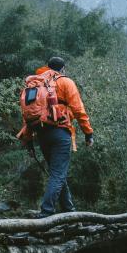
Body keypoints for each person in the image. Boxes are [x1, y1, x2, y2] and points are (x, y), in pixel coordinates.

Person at [19, 56, 94, 217]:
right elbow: (79, 110)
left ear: (48, 68)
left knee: (57, 173)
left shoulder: (36, 85)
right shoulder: (65, 82)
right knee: (58, 174)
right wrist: (88, 133)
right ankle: (46, 212)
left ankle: (69, 210)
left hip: (41, 134)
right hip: (60, 133)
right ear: (63, 69)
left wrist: (29, 144)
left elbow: (27, 117)